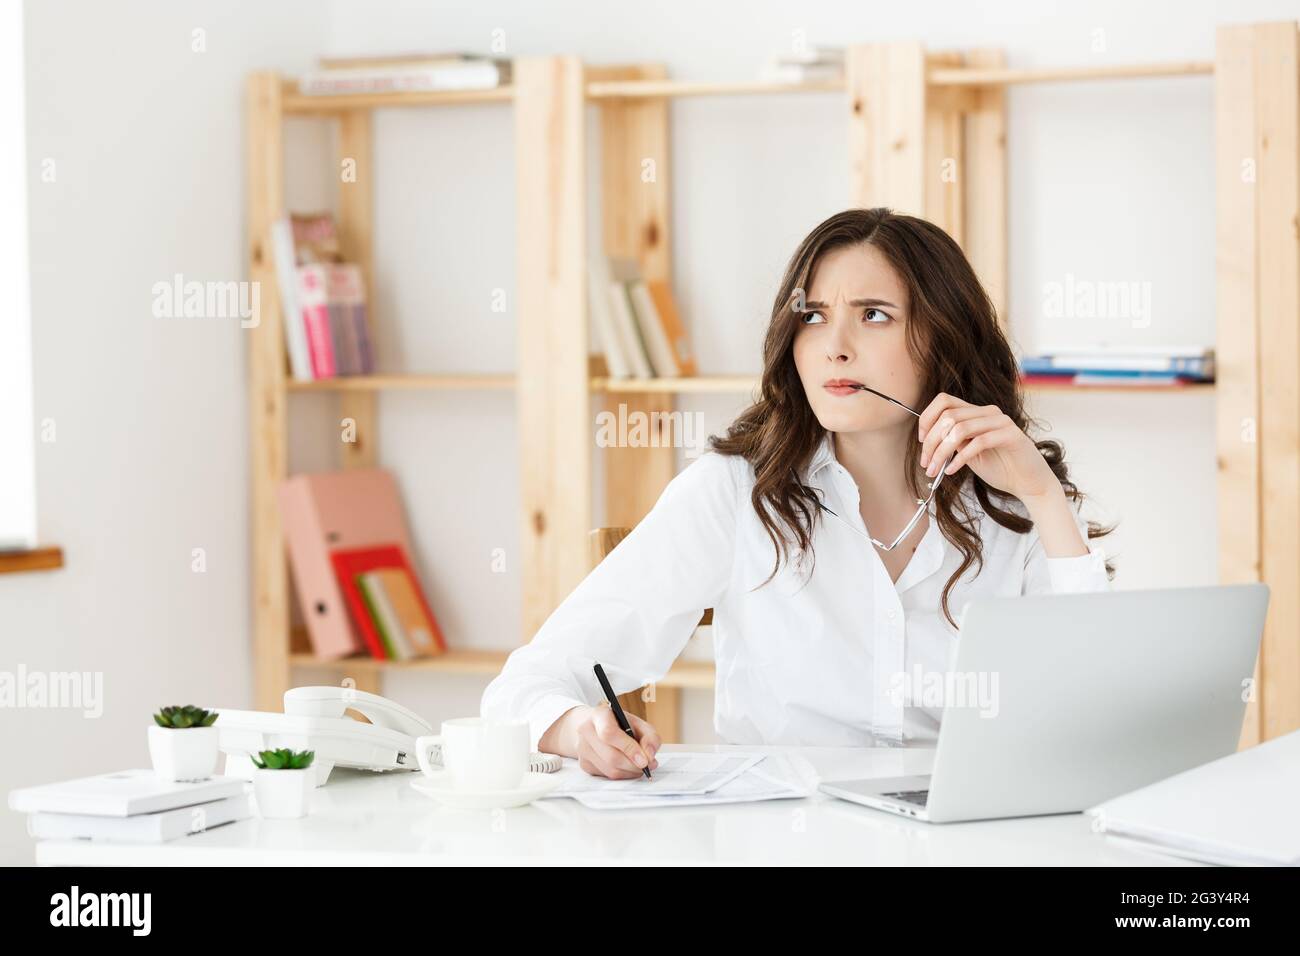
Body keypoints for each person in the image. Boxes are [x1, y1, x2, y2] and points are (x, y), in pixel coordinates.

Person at [481, 207, 1115, 779]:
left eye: (873, 315)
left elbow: (1097, 717)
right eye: (813, 316)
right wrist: (576, 731)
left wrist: (1044, 500)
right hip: (780, 838)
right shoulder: (733, 493)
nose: (834, 348)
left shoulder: (1017, 499)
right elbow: (525, 686)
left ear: (943, 337)